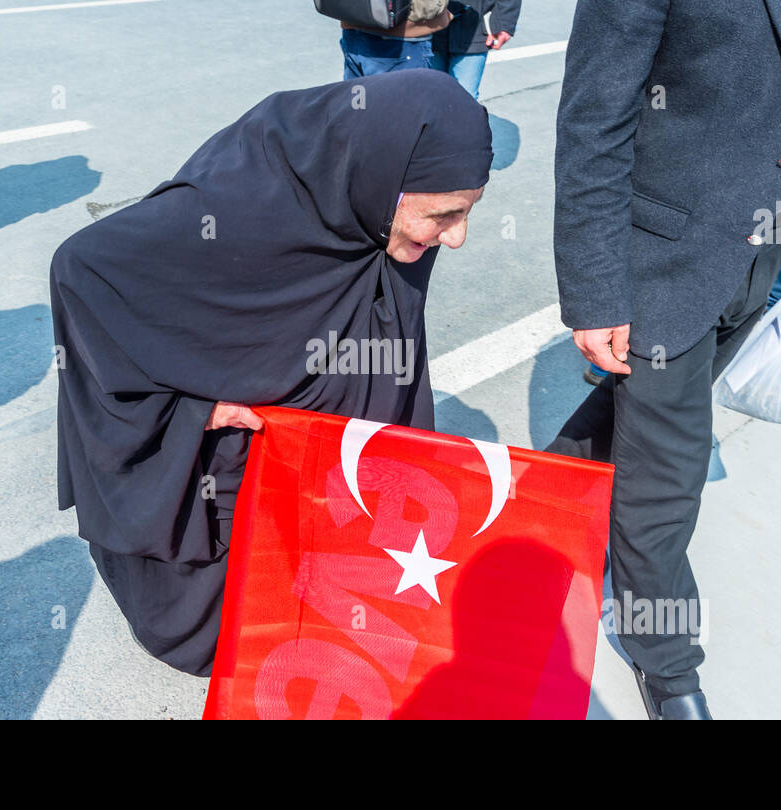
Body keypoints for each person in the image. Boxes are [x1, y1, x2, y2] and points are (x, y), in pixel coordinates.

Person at [547, 0, 781, 719]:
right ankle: (667, 664)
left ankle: (534, 510)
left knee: (639, 413)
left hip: (775, 244)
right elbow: (596, 108)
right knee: (672, 466)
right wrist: (596, 289)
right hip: (661, 247)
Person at [49, 70, 493, 676]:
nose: (457, 237)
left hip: (323, 469)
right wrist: (194, 413)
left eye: (467, 212)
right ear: (381, 180)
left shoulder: (373, 212)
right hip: (231, 470)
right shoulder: (232, 211)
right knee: (238, 633)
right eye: (444, 215)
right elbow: (83, 269)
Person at [337, 1, 453, 79]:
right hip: (400, 42)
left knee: (358, 110)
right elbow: (429, 8)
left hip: (354, 31)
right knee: (400, 112)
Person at [431, 0, 521, 99]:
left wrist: (505, 22)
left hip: (474, 25)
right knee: (429, 96)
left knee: (464, 99)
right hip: (427, 25)